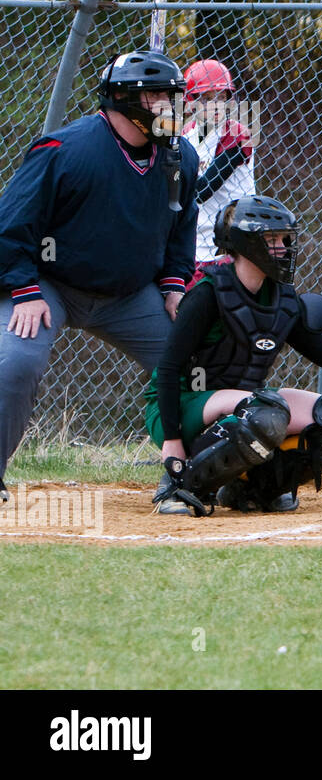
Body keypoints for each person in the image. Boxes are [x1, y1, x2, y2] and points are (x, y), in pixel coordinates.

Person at [0, 50, 198, 500]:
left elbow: (182, 226)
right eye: (157, 95)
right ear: (124, 99)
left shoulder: (180, 157)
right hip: (47, 284)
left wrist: (173, 285)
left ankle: (195, 470)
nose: (170, 105)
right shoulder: (66, 150)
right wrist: (24, 289)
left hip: (128, 294)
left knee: (195, 363)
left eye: (174, 95)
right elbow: (10, 224)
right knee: (17, 363)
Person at [146, 195, 322, 515]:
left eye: (285, 239)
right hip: (181, 403)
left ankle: (255, 489)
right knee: (267, 413)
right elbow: (168, 369)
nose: (283, 248)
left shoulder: (280, 297)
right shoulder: (209, 294)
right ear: (246, 243)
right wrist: (172, 442)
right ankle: (180, 485)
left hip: (245, 404)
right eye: (273, 239)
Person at [182, 59, 255, 284]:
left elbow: (202, 191)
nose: (216, 105)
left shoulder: (237, 134)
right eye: (207, 98)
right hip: (191, 249)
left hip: (230, 251)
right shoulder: (187, 133)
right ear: (192, 101)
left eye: (221, 97)